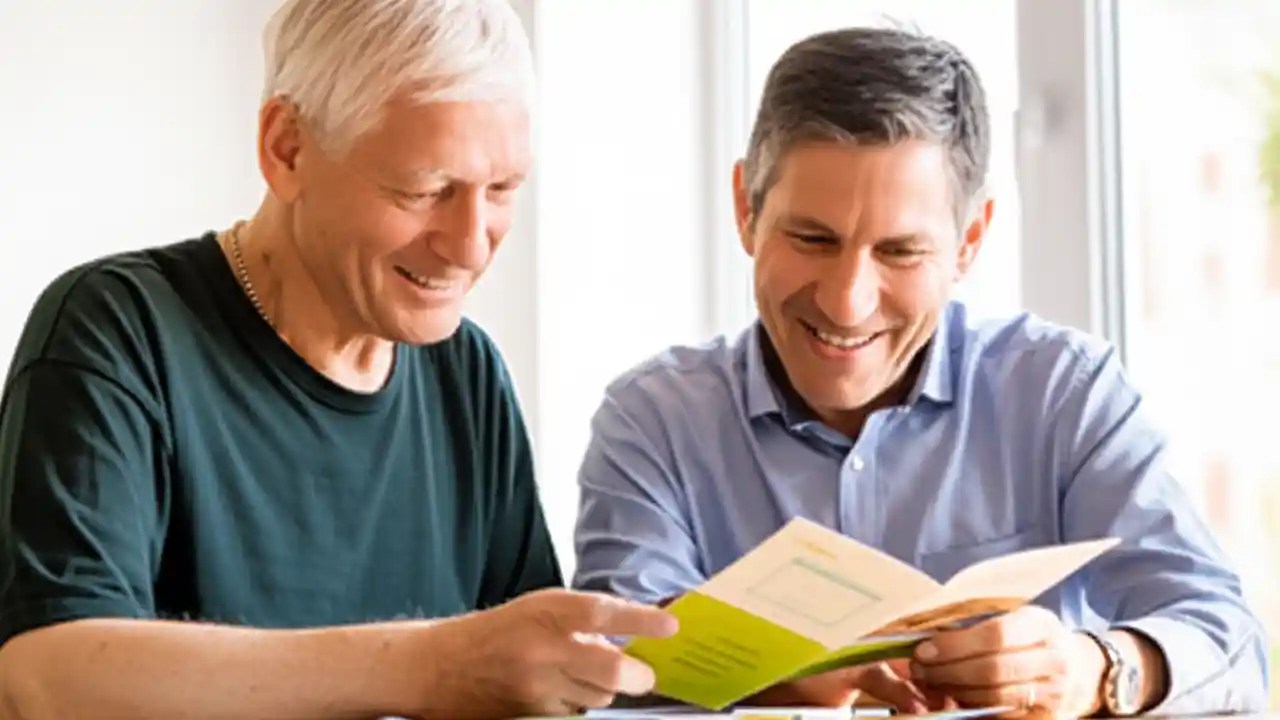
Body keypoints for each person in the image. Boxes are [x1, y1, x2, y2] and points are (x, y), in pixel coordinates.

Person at [0, 1, 676, 718]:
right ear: (287, 147)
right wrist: (430, 665)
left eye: (503, 190)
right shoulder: (120, 330)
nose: (472, 245)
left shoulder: (467, 373)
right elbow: (47, 678)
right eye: (426, 190)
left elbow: (519, 681)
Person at [572, 26, 1269, 717]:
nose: (847, 301)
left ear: (969, 241)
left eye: (901, 251)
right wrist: (781, 672)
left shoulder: (1065, 394)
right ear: (746, 209)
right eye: (812, 238)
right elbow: (613, 669)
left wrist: (1094, 669)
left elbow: (1229, 643)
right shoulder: (654, 420)